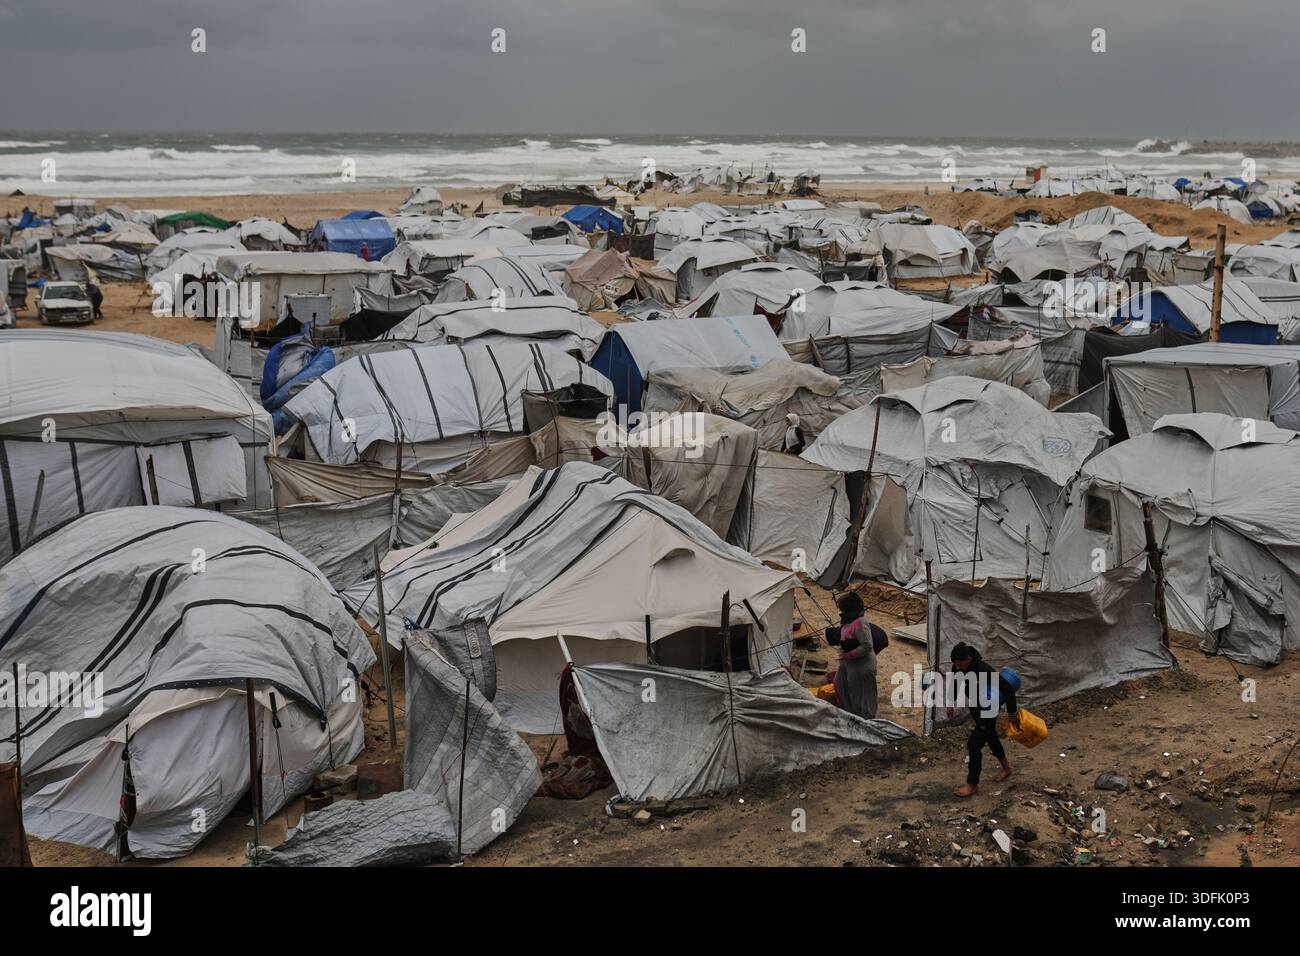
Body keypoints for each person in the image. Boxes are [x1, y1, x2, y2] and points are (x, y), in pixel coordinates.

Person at [946, 642, 1018, 797]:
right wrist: (950, 703)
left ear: (969, 659)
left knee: (973, 745)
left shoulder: (983, 669)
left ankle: (972, 785)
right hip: (976, 707)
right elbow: (955, 683)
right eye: (955, 664)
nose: (957, 667)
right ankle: (1007, 768)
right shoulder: (957, 666)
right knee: (991, 737)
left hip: (989, 709)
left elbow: (1008, 689)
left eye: (960, 664)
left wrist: (1012, 714)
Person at [823, 592, 877, 719]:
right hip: (848, 663)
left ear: (850, 609)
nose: (841, 612)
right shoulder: (847, 620)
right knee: (842, 687)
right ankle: (851, 716)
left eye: (843, 609)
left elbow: (867, 645)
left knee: (861, 695)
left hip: (862, 664)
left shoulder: (860, 623)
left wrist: (849, 654)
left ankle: (865, 720)